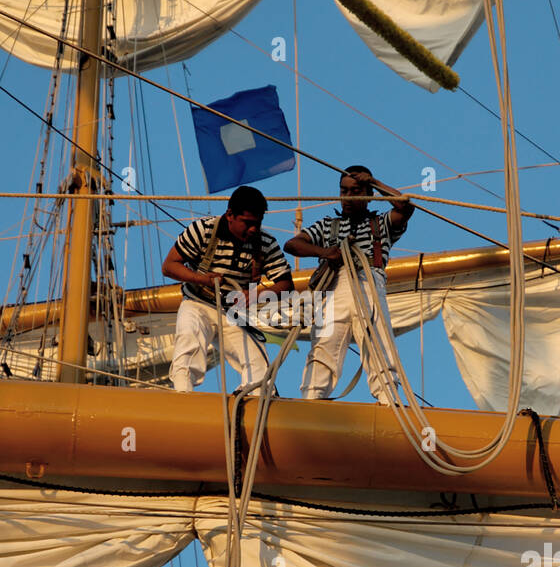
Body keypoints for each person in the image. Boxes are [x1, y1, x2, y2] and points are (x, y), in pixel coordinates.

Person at [285, 165, 414, 404]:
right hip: (333, 287)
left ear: (369, 194)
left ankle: (389, 399)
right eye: (343, 191)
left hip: (368, 281)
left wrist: (376, 181)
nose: (347, 197)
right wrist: (325, 252)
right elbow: (292, 244)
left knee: (377, 340)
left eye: (356, 191)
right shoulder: (327, 225)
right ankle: (312, 399)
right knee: (324, 344)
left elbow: (405, 207)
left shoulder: (381, 224)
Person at [162, 185, 293, 393]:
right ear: (230, 214)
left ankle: (254, 403)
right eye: (248, 223)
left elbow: (286, 284)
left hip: (233, 312)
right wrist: (201, 279)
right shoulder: (202, 230)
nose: (253, 230)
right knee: (188, 347)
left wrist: (255, 295)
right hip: (198, 304)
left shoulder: (265, 243)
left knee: (258, 364)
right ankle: (183, 399)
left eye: (257, 224)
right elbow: (169, 266)